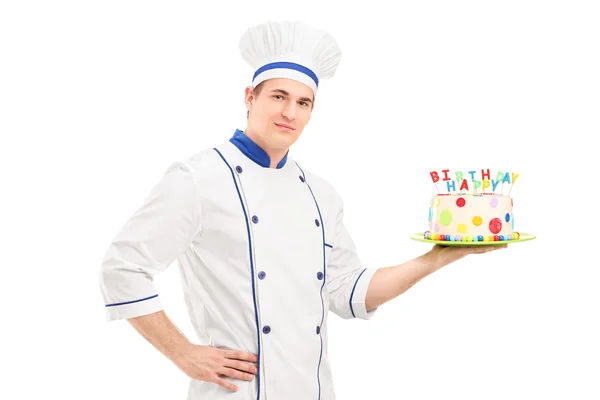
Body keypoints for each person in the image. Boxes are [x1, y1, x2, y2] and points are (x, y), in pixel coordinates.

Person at [98, 20, 506, 400]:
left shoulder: (320, 194)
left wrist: (437, 259)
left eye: (303, 102)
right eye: (278, 97)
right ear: (249, 97)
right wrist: (183, 352)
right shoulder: (198, 179)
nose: (290, 113)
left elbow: (348, 292)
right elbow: (123, 268)